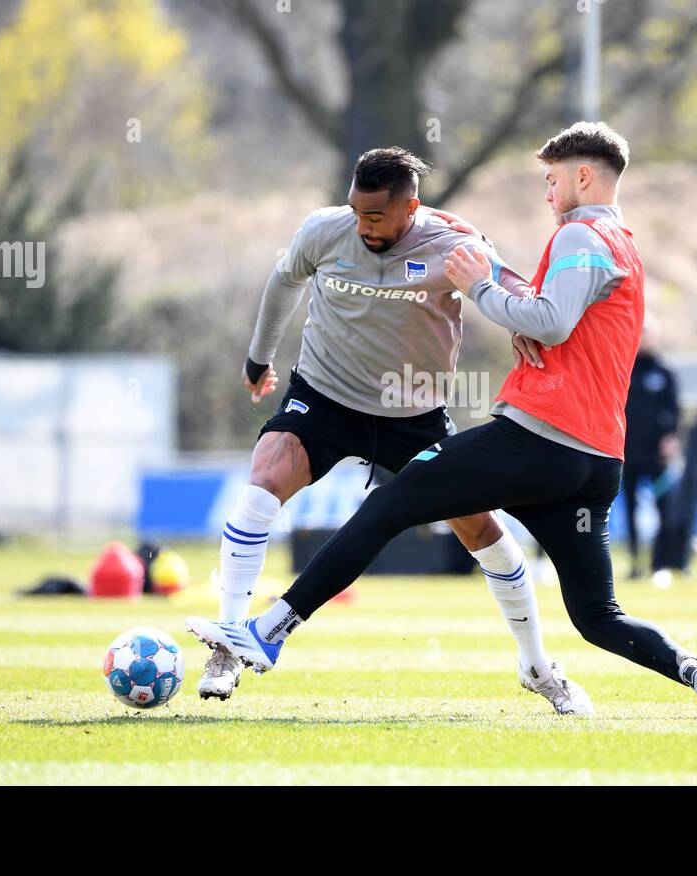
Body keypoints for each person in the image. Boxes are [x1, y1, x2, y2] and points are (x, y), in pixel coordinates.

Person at [187, 122, 697, 720]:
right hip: (595, 460)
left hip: (534, 433)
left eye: (551, 179)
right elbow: (562, 323)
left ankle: (269, 630)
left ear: (583, 177)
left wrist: (482, 287)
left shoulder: (577, 236)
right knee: (599, 616)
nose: (547, 192)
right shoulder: (625, 243)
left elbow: (548, 319)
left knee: (393, 506)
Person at [192, 147, 591, 715]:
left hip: (414, 415)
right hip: (325, 397)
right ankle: (229, 642)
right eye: (356, 212)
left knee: (480, 529)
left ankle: (537, 666)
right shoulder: (324, 232)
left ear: (411, 207)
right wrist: (259, 357)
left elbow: (520, 295)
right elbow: (284, 283)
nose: (363, 226)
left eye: (375, 217)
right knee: (267, 471)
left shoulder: (453, 243)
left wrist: (516, 327)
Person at [622, 318, 679, 580]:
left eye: (648, 334)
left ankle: (661, 564)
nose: (644, 339)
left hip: (657, 455)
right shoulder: (623, 368)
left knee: (663, 508)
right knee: (630, 509)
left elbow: (673, 410)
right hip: (627, 452)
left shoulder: (664, 372)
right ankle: (635, 563)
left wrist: (670, 437)